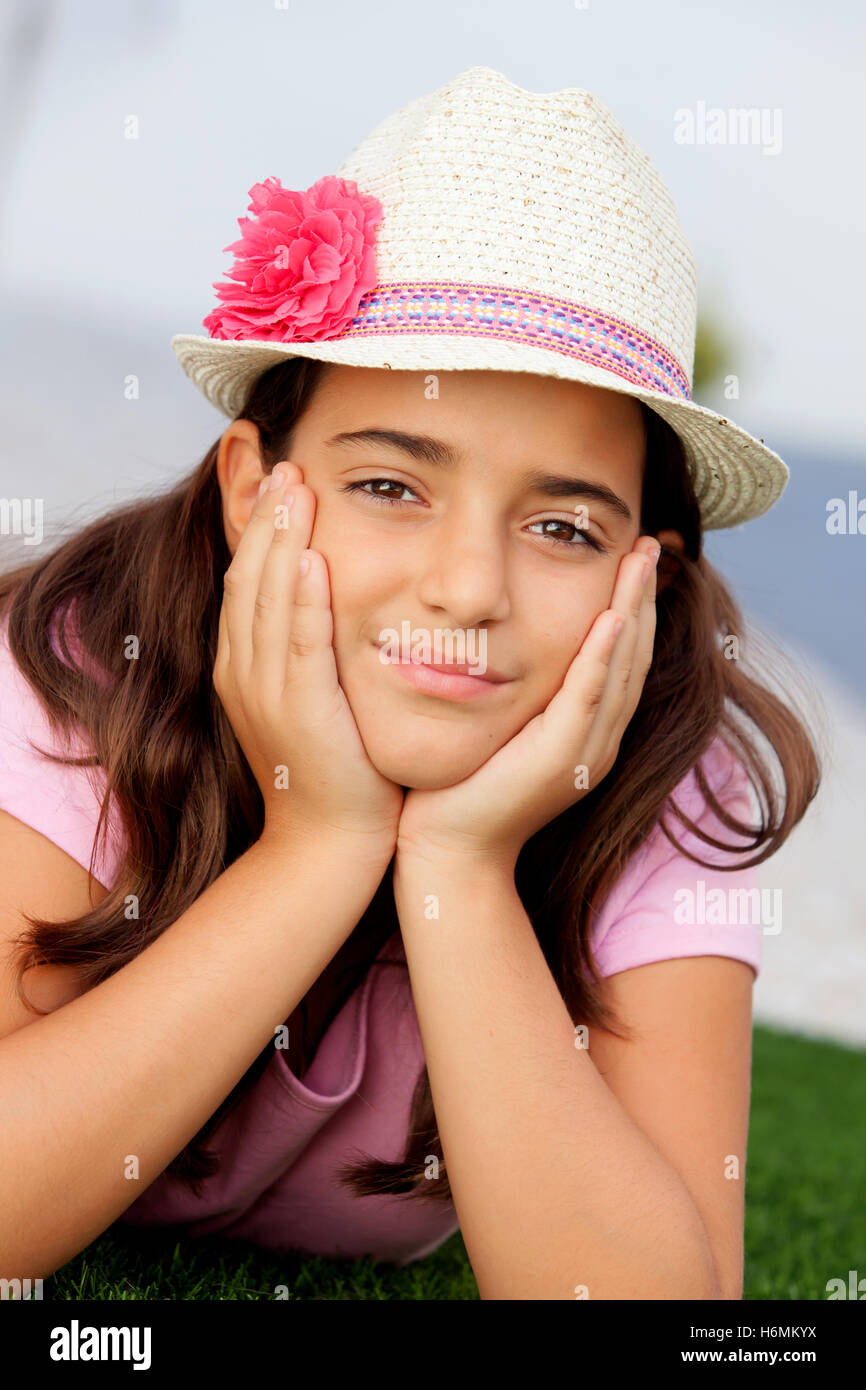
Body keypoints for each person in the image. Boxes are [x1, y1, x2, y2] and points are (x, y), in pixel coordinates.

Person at [0, 66, 819, 1300]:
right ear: (249, 487)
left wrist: (461, 868)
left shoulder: (663, 770)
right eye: (390, 485)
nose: (467, 589)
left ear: (645, 575)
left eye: (563, 527)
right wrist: (319, 840)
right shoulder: (76, 669)